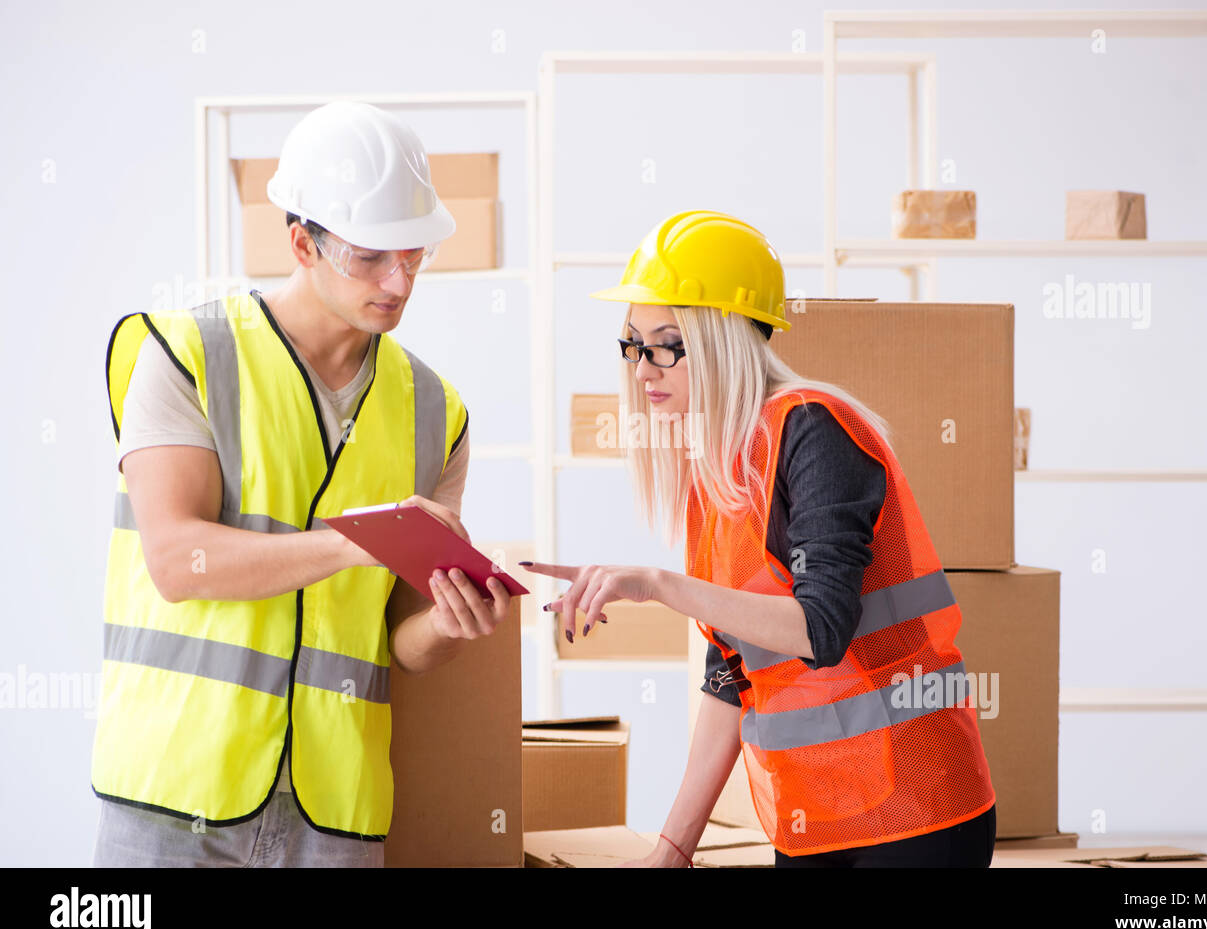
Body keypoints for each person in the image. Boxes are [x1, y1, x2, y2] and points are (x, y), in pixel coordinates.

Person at [92, 102, 511, 867]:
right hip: (174, 797)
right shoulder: (186, 355)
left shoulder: (434, 411)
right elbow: (177, 561)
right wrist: (357, 545)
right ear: (301, 242)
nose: (400, 279)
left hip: (334, 813)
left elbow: (403, 641)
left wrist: (452, 624)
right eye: (370, 256)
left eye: (414, 253)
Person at [524, 210, 997, 868]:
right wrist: (672, 848)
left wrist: (658, 584)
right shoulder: (716, 472)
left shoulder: (813, 431)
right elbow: (732, 675)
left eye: (666, 343)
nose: (642, 368)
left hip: (917, 809)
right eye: (633, 343)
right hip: (818, 813)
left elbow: (821, 628)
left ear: (723, 338)